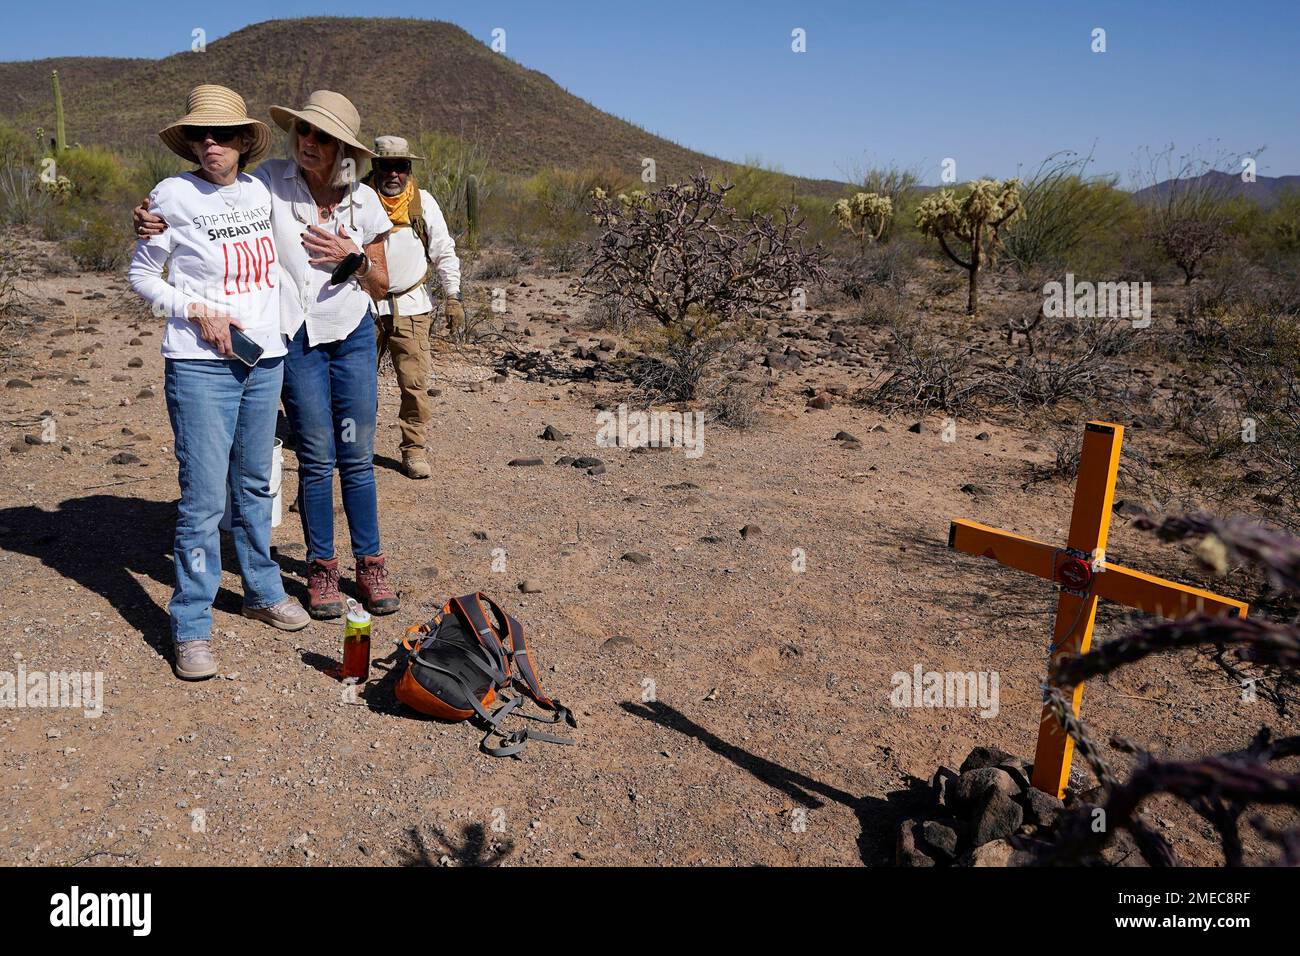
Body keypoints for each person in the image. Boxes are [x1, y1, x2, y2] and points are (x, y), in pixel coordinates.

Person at [136, 90, 401, 621]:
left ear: (343, 147)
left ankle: (368, 561)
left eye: (321, 136)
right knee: (314, 456)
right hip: (291, 337)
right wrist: (147, 220)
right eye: (303, 131)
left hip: (343, 334)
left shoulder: (363, 201)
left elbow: (382, 283)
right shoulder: (270, 184)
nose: (308, 142)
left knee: (356, 456)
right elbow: (180, 223)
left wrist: (354, 261)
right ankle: (320, 568)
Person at [127, 85, 310, 681]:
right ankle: (191, 624)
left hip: (264, 359)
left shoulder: (261, 190)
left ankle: (260, 592)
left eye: (224, 134)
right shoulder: (171, 195)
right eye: (201, 134)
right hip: (199, 364)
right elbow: (143, 277)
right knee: (204, 500)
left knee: (256, 483)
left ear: (242, 143)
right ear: (190, 141)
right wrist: (195, 309)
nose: (212, 143)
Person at [364, 135, 463, 479]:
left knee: (414, 383)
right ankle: (356, 447)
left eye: (401, 166)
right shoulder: (357, 200)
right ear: (374, 166)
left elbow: (444, 250)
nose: (393, 173)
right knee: (359, 384)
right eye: (385, 165)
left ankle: (414, 449)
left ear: (408, 169)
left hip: (412, 305)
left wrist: (453, 296)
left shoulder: (423, 203)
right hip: (365, 307)